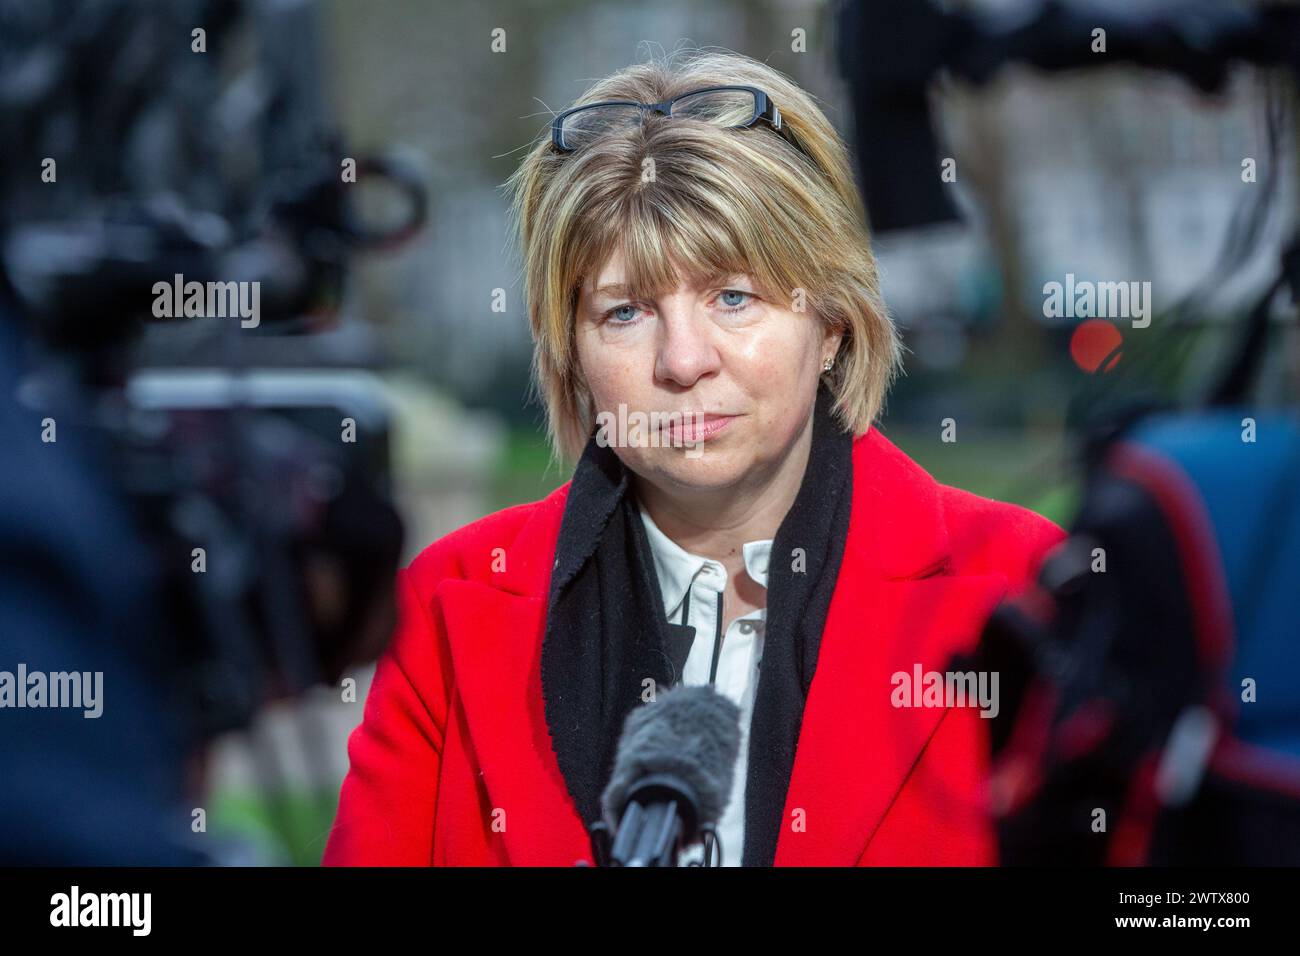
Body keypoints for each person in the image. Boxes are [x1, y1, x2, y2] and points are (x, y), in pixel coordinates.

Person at [322, 49, 1066, 867]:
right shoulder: (445, 605)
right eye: (626, 312)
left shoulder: (1028, 587)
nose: (682, 360)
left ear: (834, 324)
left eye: (733, 297)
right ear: (569, 352)